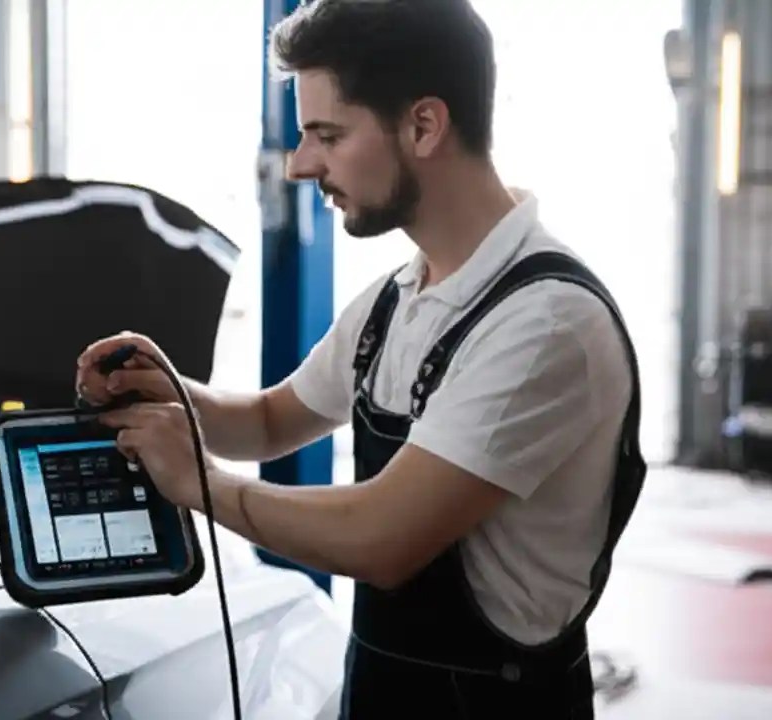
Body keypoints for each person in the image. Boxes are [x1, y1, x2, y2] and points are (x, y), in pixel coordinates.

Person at [75, 0, 646, 718]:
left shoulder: (547, 324)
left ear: (424, 125)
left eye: (328, 135)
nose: (299, 164)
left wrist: (201, 485)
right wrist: (169, 392)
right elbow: (268, 420)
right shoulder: (399, 298)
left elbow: (382, 539)